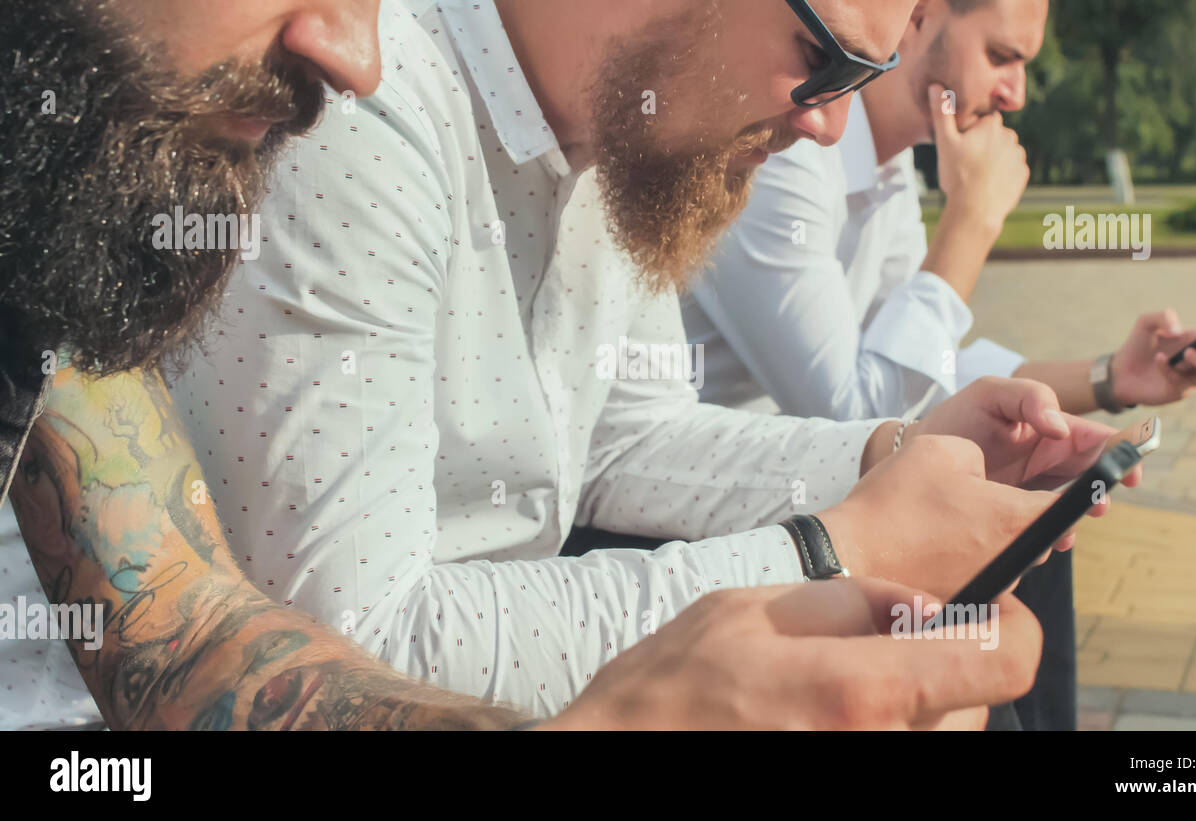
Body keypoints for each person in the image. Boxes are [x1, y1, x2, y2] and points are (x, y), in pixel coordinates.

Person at [159, 0, 1132, 722]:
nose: (827, 124)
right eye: (821, 58)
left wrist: (888, 453)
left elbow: (631, 438)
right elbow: (349, 653)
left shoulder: (629, 139)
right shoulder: (362, 110)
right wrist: (836, 551)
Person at [681, 0, 1196, 728]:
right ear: (917, 20)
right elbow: (853, 404)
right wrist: (972, 220)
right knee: (996, 537)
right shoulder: (786, 154)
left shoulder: (883, 177)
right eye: (1003, 57)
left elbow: (927, 369)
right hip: (719, 492)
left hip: (800, 474)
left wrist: (1111, 377)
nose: (1015, 93)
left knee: (1032, 515)